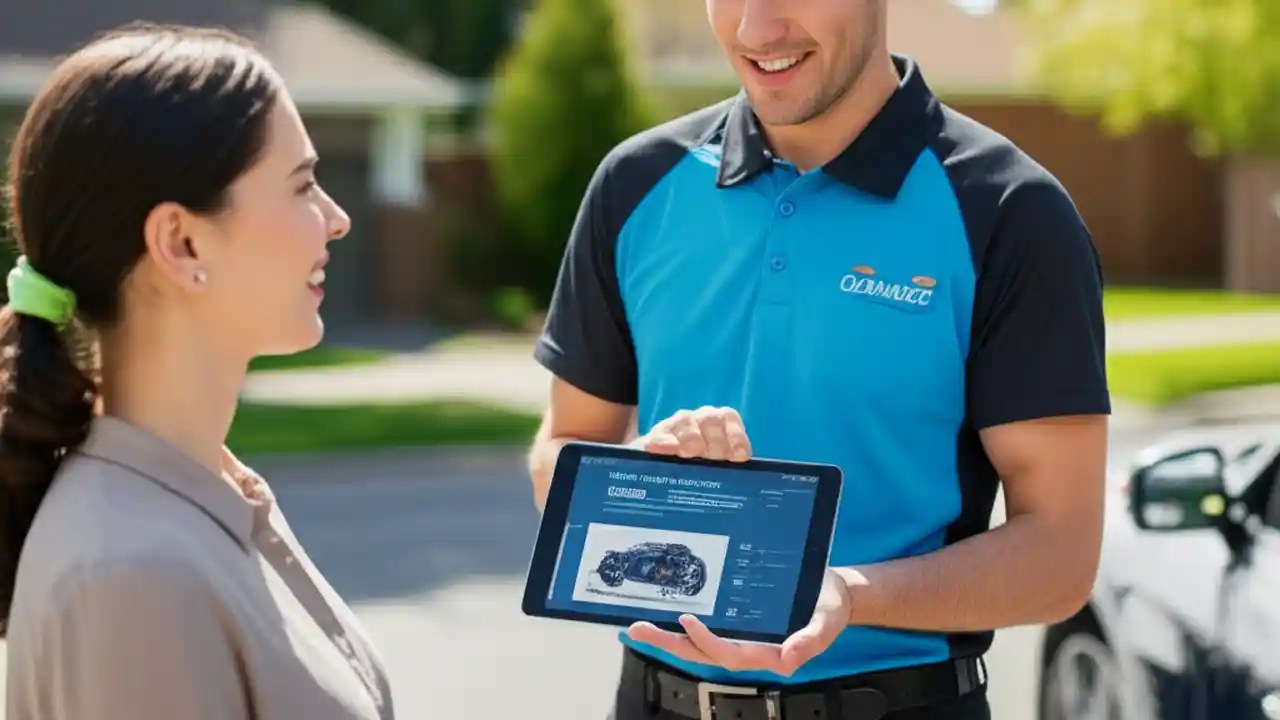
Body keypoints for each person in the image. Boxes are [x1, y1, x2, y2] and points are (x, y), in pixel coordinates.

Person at [527, 1, 1110, 718]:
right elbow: (559, 449)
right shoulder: (635, 185)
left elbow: (1060, 558)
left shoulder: (1009, 211)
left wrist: (848, 593)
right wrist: (641, 480)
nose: (755, 30)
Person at [1, 24, 393, 719]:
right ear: (181, 243)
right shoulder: (130, 573)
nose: (336, 220)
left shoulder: (210, 497)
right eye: (303, 185)